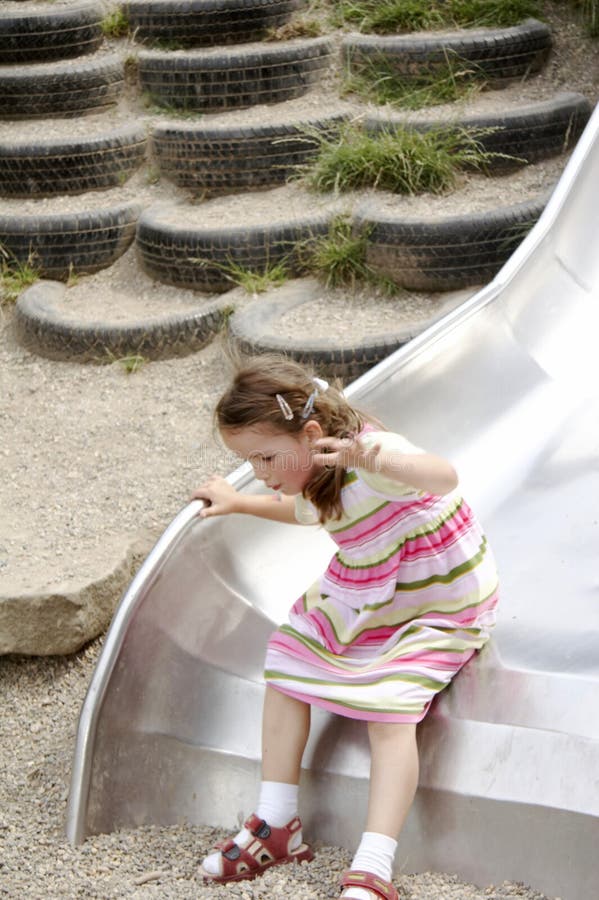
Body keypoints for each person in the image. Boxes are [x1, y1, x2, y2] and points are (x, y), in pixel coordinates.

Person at [192, 354, 499, 900]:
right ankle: (277, 821)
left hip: (437, 600)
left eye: (265, 458)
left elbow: (444, 474)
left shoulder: (372, 454)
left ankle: (374, 864)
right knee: (286, 660)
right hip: (376, 590)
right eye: (250, 462)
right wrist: (240, 502)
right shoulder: (314, 467)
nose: (261, 472)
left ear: (311, 433)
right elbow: (310, 512)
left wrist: (377, 459)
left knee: (388, 709)